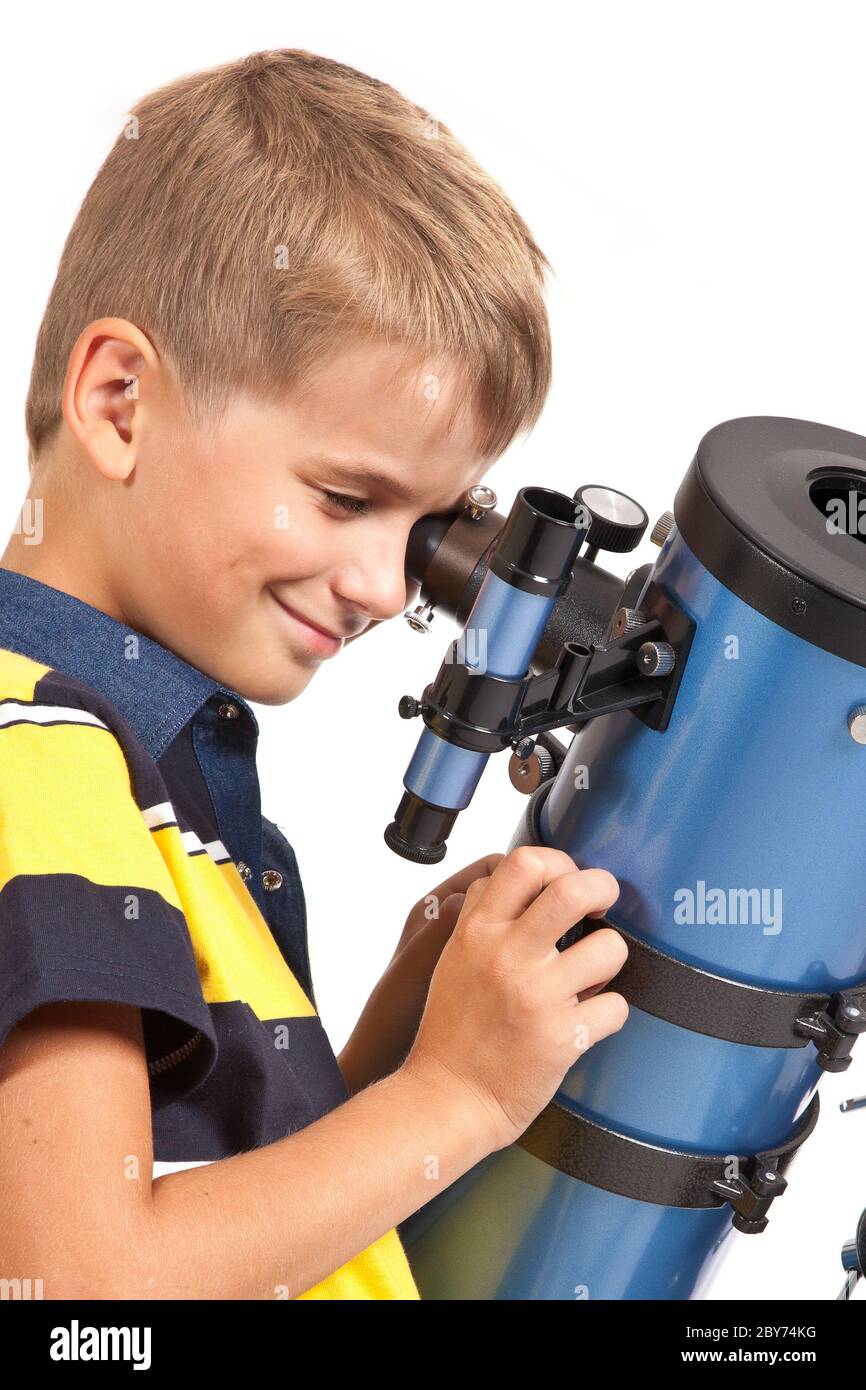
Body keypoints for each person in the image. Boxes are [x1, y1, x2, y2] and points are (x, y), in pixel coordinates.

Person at [0, 48, 628, 1299]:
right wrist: (456, 1095)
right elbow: (82, 1292)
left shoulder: (140, 762)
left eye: (427, 529)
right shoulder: (40, 763)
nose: (389, 587)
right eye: (346, 496)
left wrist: (409, 1032)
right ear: (120, 402)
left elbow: (231, 1216)